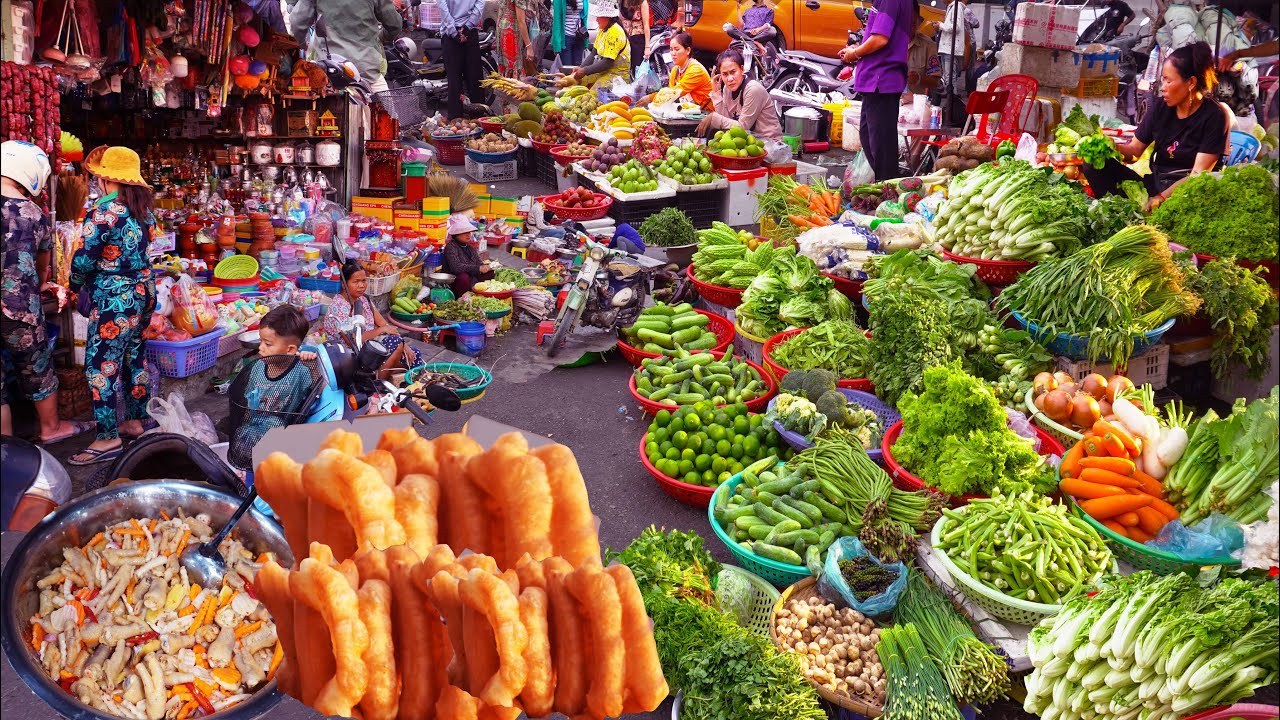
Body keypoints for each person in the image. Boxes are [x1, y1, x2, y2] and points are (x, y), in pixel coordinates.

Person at [67, 146, 157, 466]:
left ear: (106, 179)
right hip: (143, 292)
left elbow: (84, 258)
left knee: (100, 366)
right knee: (134, 357)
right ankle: (134, 420)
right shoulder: (144, 210)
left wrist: (73, 286)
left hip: (115, 299)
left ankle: (107, 437)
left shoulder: (104, 212)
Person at [1, 141, 93, 444]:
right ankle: (51, 427)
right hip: (20, 305)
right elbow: (43, 263)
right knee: (37, 366)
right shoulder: (35, 215)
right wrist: (39, 282)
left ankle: (6, 443)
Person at [1082, 42, 1229, 211]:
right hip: (1156, 185)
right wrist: (1109, 146)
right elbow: (1134, 152)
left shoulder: (1215, 116)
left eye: (1168, 81)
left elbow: (1198, 175)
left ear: (1191, 83)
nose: (1163, 88)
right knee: (1093, 164)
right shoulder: (1161, 108)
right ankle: (1121, 213)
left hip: (1188, 194)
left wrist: (1161, 198)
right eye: (1162, 80)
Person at [228, 305, 318, 473]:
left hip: (281, 439)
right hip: (253, 431)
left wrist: (311, 360)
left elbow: (319, 383)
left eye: (268, 344)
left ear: (290, 349)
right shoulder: (257, 368)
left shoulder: (302, 371)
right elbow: (248, 405)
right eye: (261, 341)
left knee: (273, 422)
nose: (260, 348)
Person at [839, 0, 916, 181]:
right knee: (870, 140)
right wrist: (857, 48)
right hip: (875, 79)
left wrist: (855, 53)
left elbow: (881, 38)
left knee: (881, 147)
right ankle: (887, 187)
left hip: (881, 79)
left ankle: (888, 190)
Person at [325, 260, 425, 373]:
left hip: (369, 347)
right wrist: (381, 331)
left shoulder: (363, 299)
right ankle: (377, 381)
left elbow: (384, 324)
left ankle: (391, 374)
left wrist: (404, 344)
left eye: (364, 281)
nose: (361, 285)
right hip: (349, 355)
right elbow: (353, 341)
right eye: (356, 282)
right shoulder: (338, 307)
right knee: (396, 346)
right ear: (344, 284)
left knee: (414, 354)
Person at [289, 0, 403, 94]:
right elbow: (394, 25)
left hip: (329, 72)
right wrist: (381, 37)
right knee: (387, 116)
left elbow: (296, 24)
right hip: (367, 71)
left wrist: (304, 45)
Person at [697, 49, 783, 140]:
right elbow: (727, 122)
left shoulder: (753, 89)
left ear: (742, 69)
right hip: (746, 140)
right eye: (725, 74)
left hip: (770, 144)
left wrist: (714, 117)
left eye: (733, 72)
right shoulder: (727, 88)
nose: (730, 79)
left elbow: (742, 128)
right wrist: (716, 94)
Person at [636, 32, 714, 109]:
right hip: (690, 111)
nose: (673, 53)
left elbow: (674, 93)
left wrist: (651, 98)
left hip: (705, 112)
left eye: (676, 49)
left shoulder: (696, 70)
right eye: (671, 49)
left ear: (688, 50)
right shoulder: (675, 70)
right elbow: (670, 92)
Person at [570, 0, 632, 91]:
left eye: (598, 17)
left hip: (617, 75)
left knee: (592, 94)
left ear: (607, 17)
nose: (596, 20)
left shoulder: (615, 32)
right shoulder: (602, 30)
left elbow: (607, 63)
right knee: (577, 82)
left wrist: (585, 71)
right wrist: (581, 68)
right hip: (603, 72)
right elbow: (593, 54)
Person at [438, 0, 486, 118]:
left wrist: (453, 30)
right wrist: (467, 27)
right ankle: (479, 120)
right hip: (466, 32)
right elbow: (480, 4)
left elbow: (443, 7)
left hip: (450, 33)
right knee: (473, 79)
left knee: (456, 80)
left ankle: (457, 120)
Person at [441, 214, 495, 295]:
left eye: (469, 232)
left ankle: (484, 294)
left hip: (471, 277)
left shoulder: (470, 248)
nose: (468, 235)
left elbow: (479, 263)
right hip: (454, 281)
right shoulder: (451, 247)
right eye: (464, 232)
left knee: (490, 273)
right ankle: (462, 298)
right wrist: (478, 268)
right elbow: (456, 267)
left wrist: (488, 267)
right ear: (456, 234)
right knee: (463, 277)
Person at [553, 0, 590, 67]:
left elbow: (584, 18)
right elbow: (557, 20)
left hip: (579, 37)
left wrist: (585, 41)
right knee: (567, 69)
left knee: (578, 70)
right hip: (566, 37)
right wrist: (557, 46)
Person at [620, 0, 651, 74]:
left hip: (638, 40)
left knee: (638, 70)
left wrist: (647, 47)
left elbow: (646, 25)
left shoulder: (642, 2)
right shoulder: (621, 2)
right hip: (625, 40)